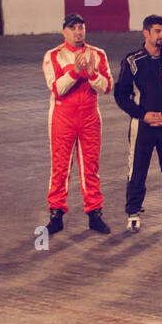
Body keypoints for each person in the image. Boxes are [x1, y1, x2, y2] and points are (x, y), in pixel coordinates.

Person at [114, 14, 162, 233]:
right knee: (137, 169)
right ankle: (133, 214)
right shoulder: (132, 61)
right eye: (157, 31)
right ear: (146, 33)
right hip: (142, 126)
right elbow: (121, 95)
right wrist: (142, 114)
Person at [42, 13, 113, 235]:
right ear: (64, 32)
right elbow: (57, 88)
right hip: (62, 118)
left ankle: (94, 214)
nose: (78, 32)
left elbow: (107, 86)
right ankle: (56, 214)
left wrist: (92, 74)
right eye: (73, 28)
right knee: (60, 167)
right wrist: (76, 71)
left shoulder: (98, 54)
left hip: (90, 117)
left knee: (91, 167)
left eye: (81, 27)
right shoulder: (53, 56)